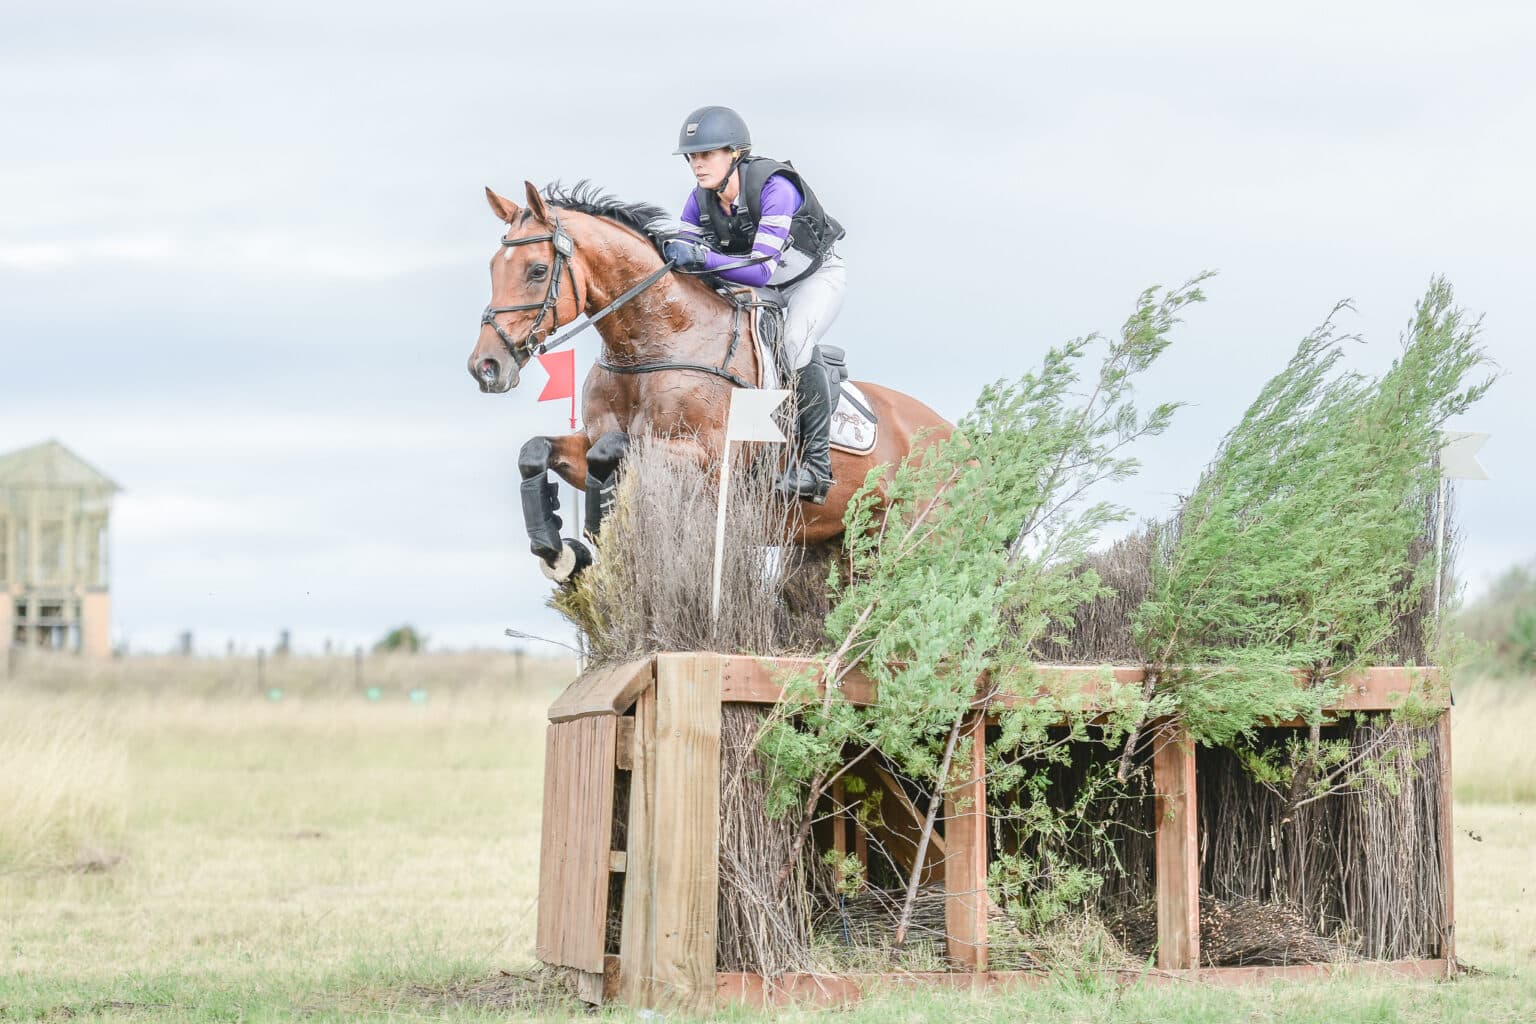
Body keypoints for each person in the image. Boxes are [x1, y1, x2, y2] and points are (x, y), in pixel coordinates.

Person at [662, 105, 847, 504]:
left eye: (706, 154)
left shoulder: (775, 187)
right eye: (692, 157)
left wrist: (703, 259)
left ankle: (817, 468)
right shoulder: (698, 201)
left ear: (735, 153)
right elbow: (686, 259)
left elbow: (761, 269)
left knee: (795, 342)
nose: (697, 165)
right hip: (761, 289)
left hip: (813, 279)